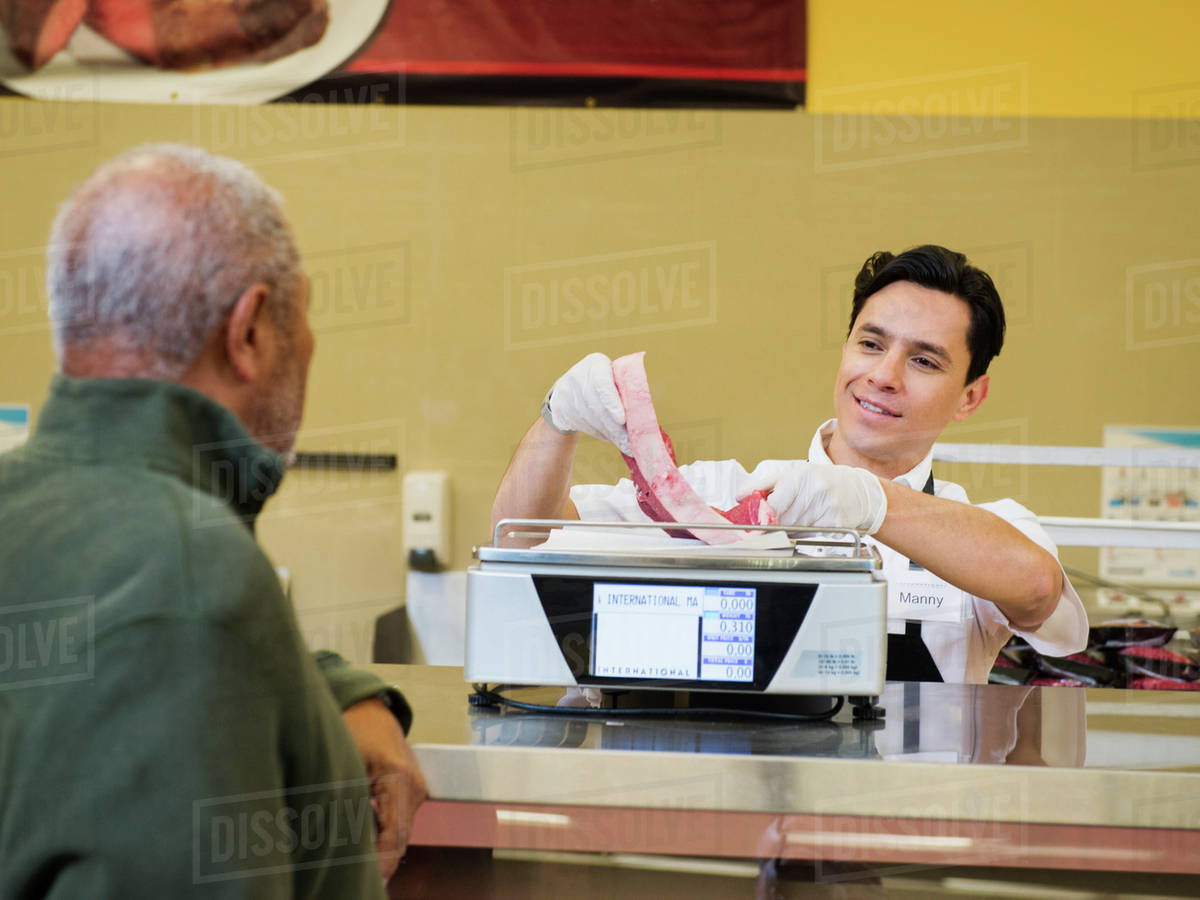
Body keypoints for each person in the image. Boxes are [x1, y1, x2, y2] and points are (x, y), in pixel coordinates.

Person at [0, 145, 426, 897]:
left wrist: (335, 695)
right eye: (306, 312)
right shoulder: (191, 582)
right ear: (252, 331)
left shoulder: (52, 520)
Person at [491, 245, 1088, 683]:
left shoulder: (979, 525)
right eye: (870, 343)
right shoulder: (725, 492)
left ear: (970, 396)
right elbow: (518, 540)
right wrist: (556, 419)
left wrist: (868, 501)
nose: (882, 376)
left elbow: (1037, 590)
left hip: (910, 829)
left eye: (925, 361)